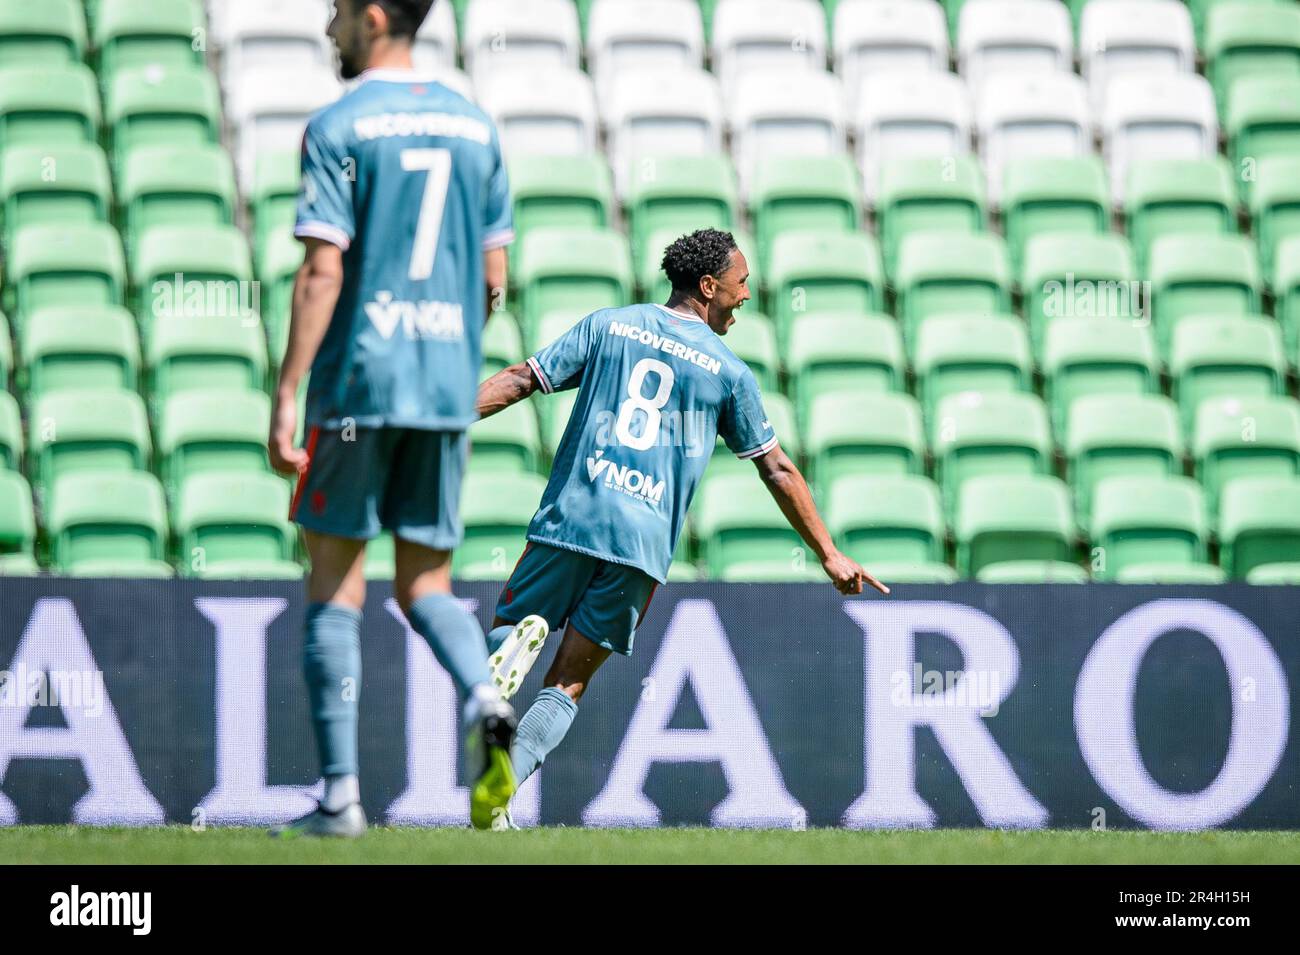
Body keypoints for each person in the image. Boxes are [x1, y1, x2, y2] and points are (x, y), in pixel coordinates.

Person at [475, 229, 889, 821]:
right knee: (567, 682)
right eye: (741, 284)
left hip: (573, 516)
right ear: (708, 285)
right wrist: (827, 552)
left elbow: (520, 380)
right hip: (639, 545)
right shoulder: (727, 371)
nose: (746, 297)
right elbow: (777, 467)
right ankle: (504, 787)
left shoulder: (607, 325)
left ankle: (508, 648)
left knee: (513, 625)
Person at [268, 0, 517, 836]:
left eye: (337, 10)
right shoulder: (478, 129)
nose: (329, 25)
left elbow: (320, 272)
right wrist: (448, 364)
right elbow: (493, 280)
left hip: (357, 387)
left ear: (375, 17)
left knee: (336, 579)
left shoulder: (339, 124)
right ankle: (484, 693)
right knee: (427, 583)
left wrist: (287, 390)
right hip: (444, 385)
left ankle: (340, 796)